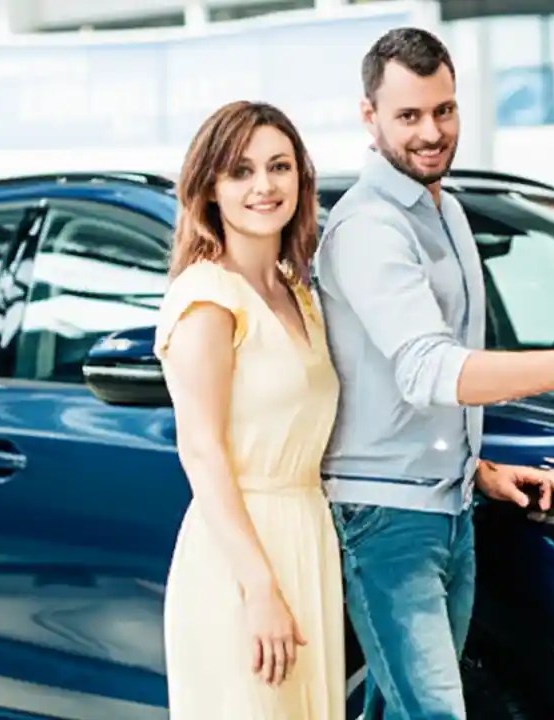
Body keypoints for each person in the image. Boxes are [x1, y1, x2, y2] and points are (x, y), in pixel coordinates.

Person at [313, 27, 554, 720]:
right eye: (409, 115)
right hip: (387, 518)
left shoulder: (443, 211)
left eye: (444, 111)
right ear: (370, 117)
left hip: (447, 507)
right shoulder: (369, 229)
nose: (431, 132)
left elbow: (402, 388)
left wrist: (479, 466)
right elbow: (427, 370)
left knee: (398, 709)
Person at [156, 100, 345, 719]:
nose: (264, 186)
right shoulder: (207, 297)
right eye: (240, 171)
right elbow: (201, 450)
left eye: (279, 166)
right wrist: (258, 588)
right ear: (209, 188)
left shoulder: (298, 292)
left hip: (307, 537)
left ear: (301, 178)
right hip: (237, 557)